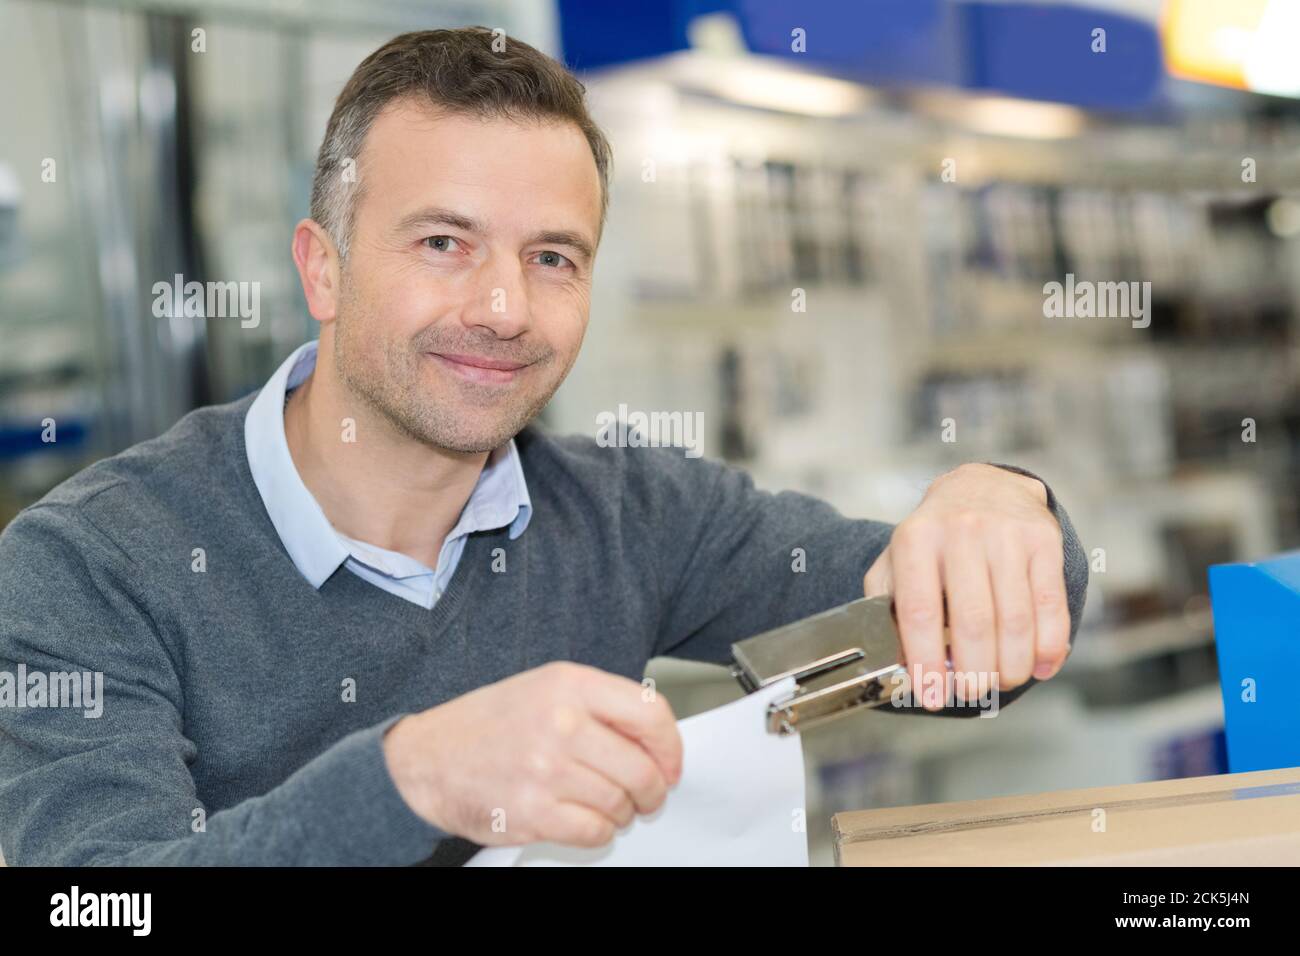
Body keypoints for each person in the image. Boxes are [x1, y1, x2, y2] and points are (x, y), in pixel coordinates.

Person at [0, 28, 1086, 866]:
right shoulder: (90, 565)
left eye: (554, 257)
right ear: (321, 268)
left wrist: (999, 503)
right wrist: (410, 778)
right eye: (443, 242)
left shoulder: (632, 516)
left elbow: (969, 647)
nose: (506, 306)